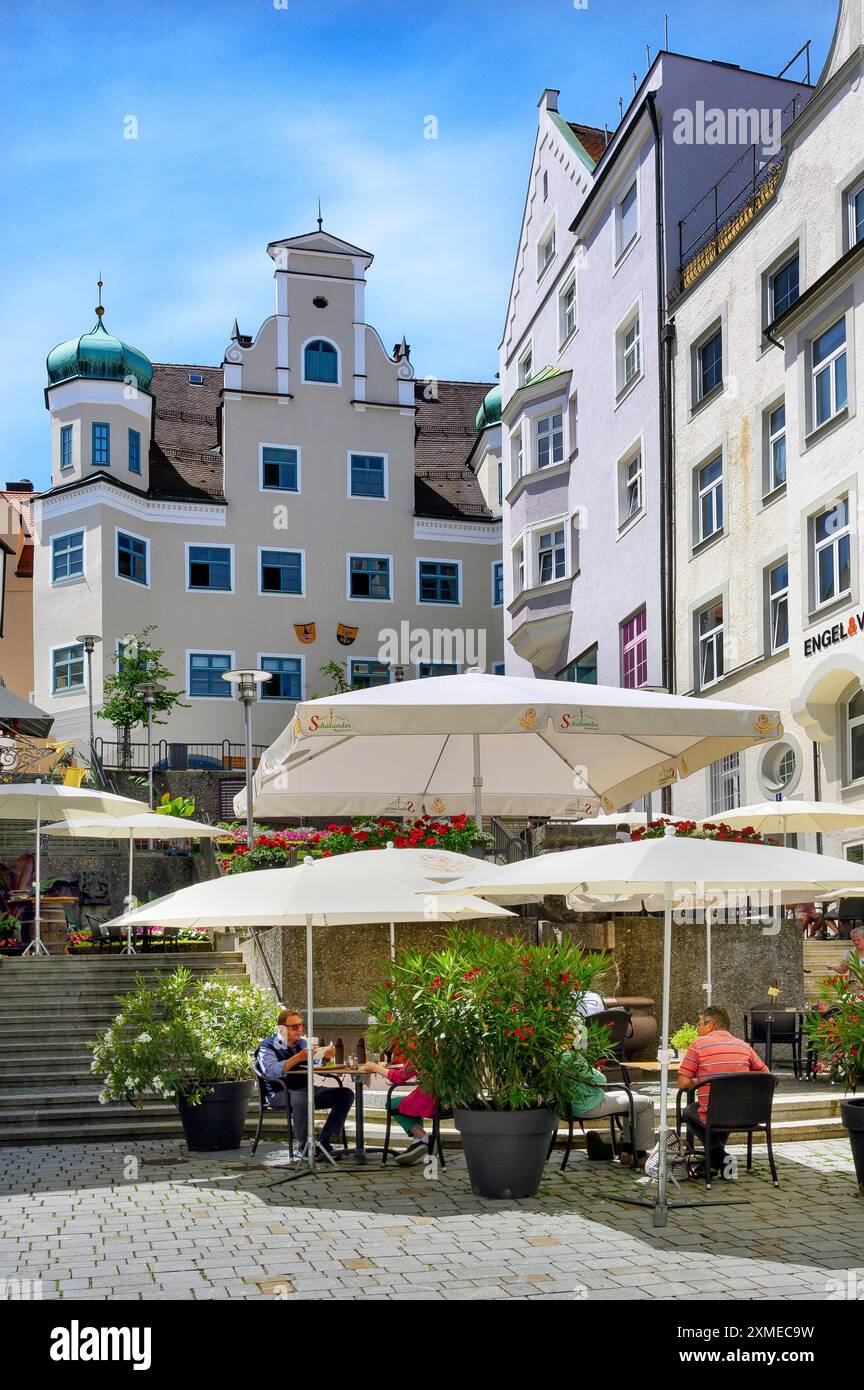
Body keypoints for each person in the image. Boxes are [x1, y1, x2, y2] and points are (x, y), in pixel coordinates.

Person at [677, 1004, 769, 1176]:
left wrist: (700, 1082)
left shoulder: (698, 1045)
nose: (698, 1029)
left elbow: (683, 1083)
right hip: (746, 1115)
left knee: (690, 1112)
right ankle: (711, 1165)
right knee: (724, 1106)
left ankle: (720, 1157)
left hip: (715, 1115)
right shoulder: (744, 1046)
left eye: (699, 1024)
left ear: (710, 1025)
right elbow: (766, 1075)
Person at [257, 1008, 354, 1157]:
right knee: (301, 1098)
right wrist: (298, 1058)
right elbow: (270, 1071)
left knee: (345, 1094)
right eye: (294, 1026)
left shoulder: (301, 1043)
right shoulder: (268, 1046)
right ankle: (303, 1147)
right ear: (281, 1028)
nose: (299, 1029)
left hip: (305, 1089)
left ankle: (324, 1141)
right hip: (279, 1092)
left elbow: (315, 1062)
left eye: (301, 1025)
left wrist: (326, 1057)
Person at [361, 1056, 436, 1166]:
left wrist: (375, 1067)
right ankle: (417, 1142)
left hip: (428, 1099)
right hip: (445, 1101)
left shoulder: (423, 1050)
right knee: (410, 1102)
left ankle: (424, 1138)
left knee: (391, 1104)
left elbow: (400, 1077)